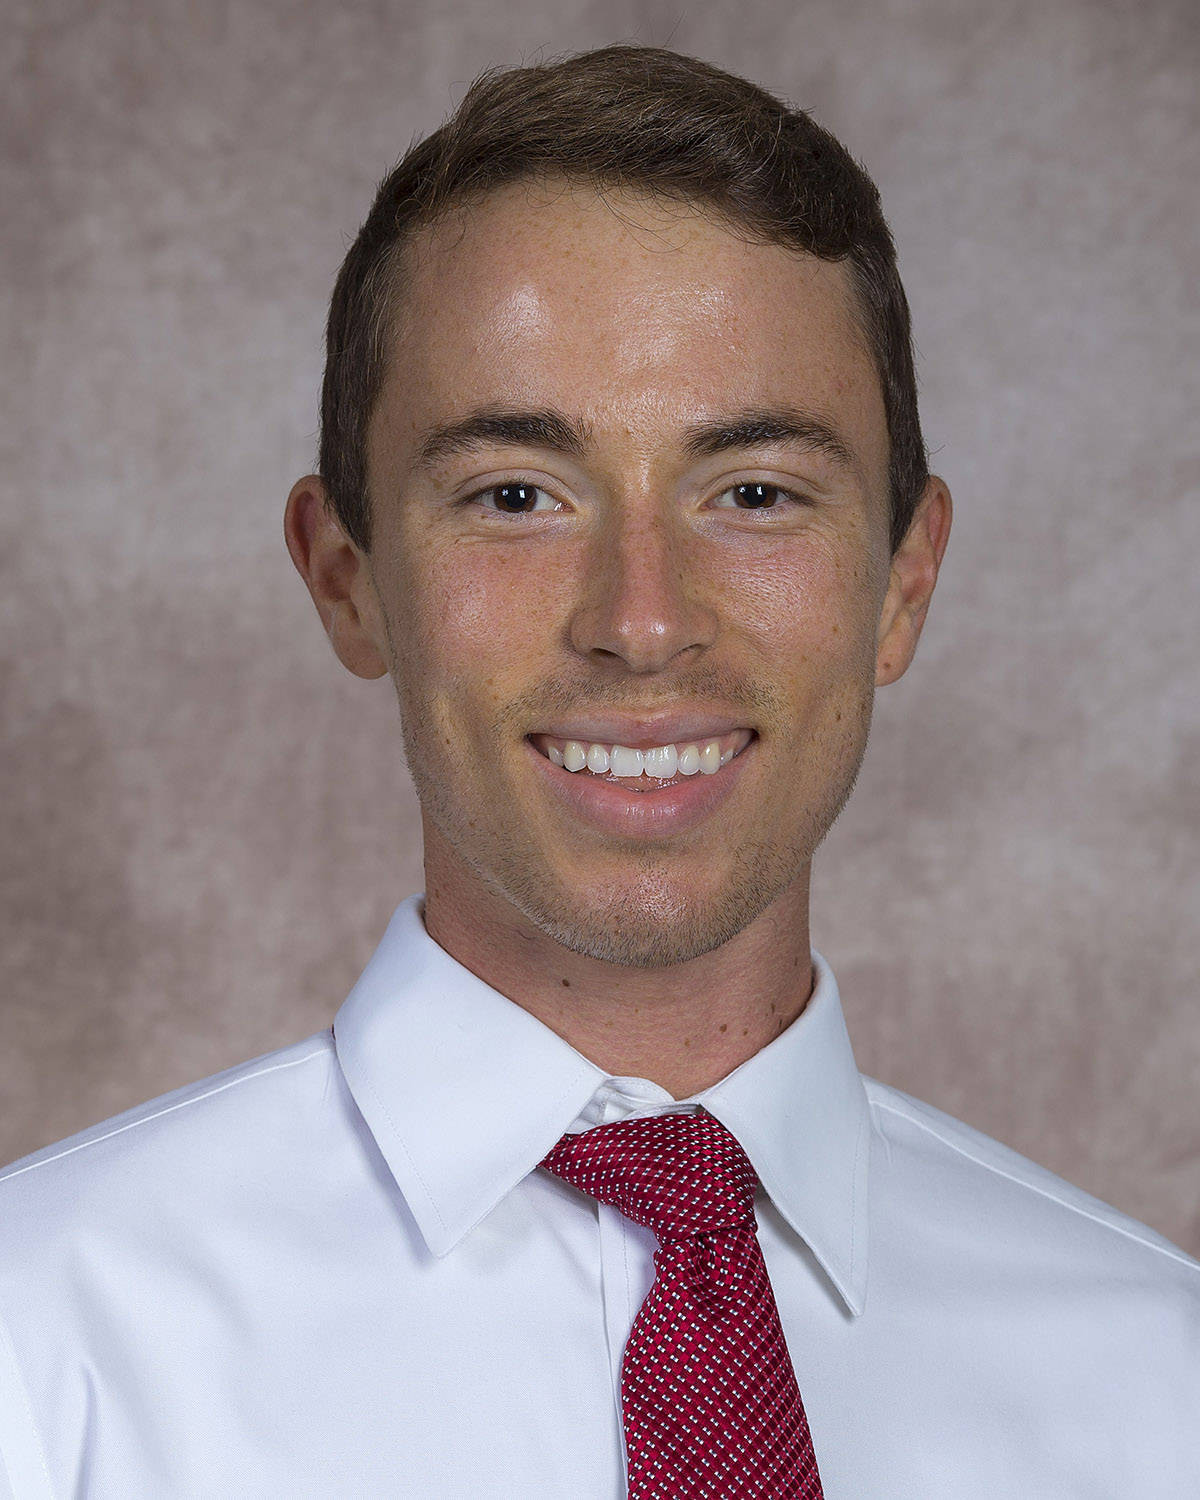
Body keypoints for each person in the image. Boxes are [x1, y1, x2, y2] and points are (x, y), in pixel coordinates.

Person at [0, 42, 1195, 1499]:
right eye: (516, 496)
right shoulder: (42, 1350)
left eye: (754, 493)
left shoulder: (1160, 1383)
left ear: (902, 581)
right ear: (347, 577)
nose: (642, 621)